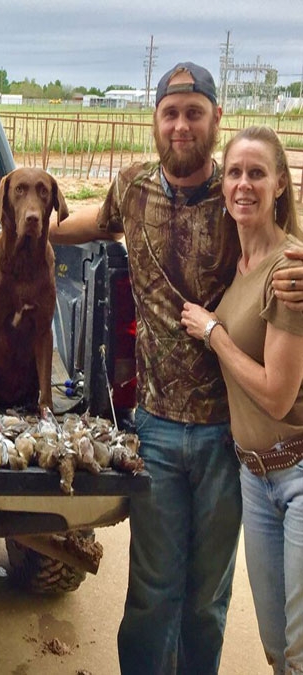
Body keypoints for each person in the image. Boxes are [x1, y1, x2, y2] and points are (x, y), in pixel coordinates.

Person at [50, 62, 303, 674]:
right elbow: (95, 222)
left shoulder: (239, 194)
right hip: (156, 429)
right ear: (155, 122)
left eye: (194, 112)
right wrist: (34, 228)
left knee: (208, 598)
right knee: (152, 591)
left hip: (226, 436)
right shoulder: (133, 186)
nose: (182, 125)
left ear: (215, 119)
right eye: (171, 113)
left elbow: (282, 243)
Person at [181, 126, 303, 674]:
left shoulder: (289, 272)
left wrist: (214, 334)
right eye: (234, 173)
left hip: (297, 474)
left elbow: (277, 396)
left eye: (257, 173)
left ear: (280, 183)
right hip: (255, 480)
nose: (244, 184)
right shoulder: (239, 261)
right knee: (278, 645)